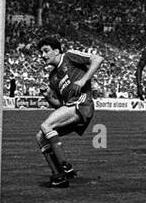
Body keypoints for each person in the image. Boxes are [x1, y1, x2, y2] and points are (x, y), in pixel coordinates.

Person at [36, 38, 103, 188]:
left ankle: (64, 165)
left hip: (83, 104)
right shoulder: (53, 78)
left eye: (46, 51)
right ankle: (59, 176)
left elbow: (98, 59)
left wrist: (83, 80)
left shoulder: (69, 56)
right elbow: (61, 106)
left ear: (57, 51)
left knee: (46, 125)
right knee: (41, 136)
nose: (42, 55)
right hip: (71, 107)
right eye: (41, 52)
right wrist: (48, 97)